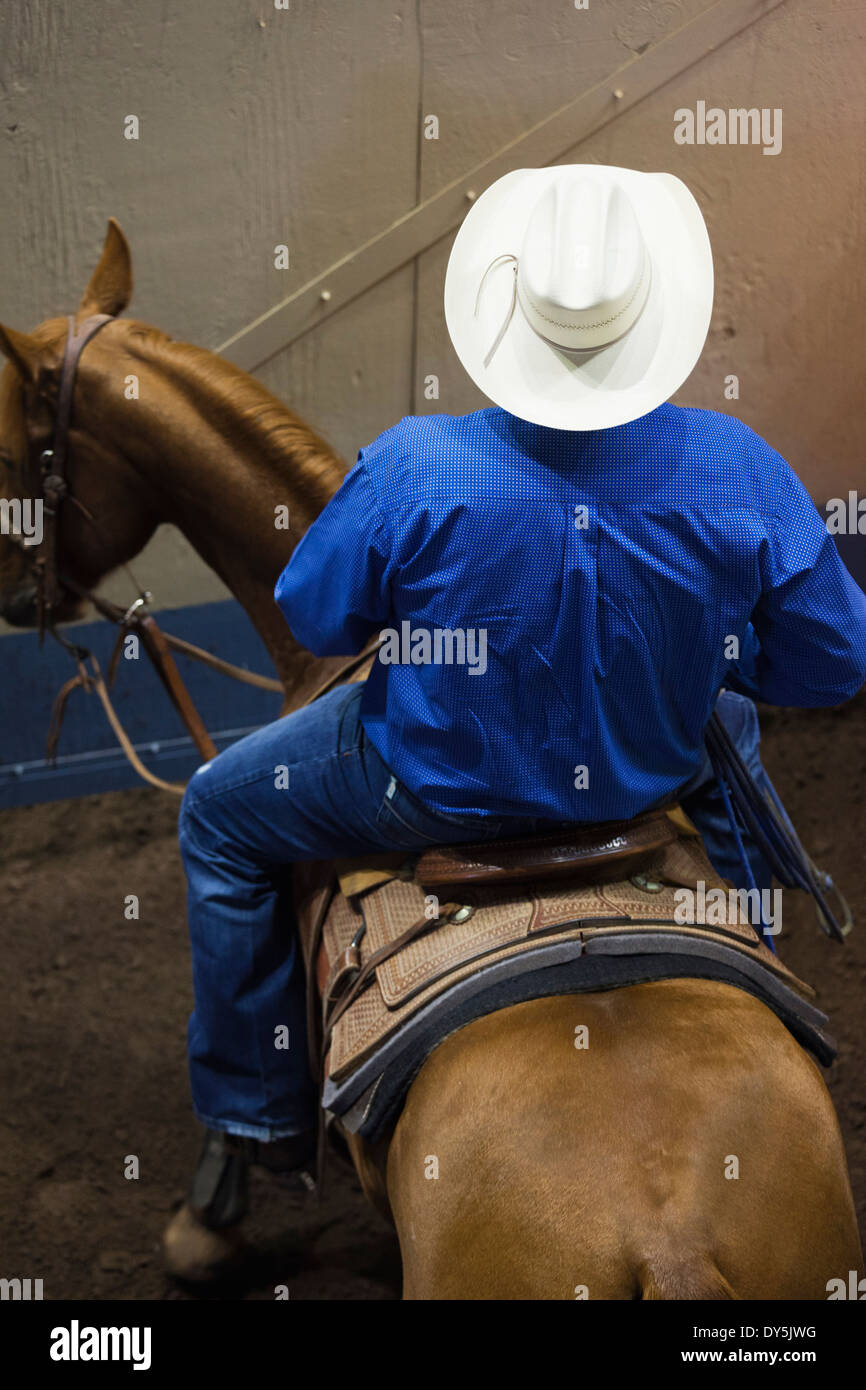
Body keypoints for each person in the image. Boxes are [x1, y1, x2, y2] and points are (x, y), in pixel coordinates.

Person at [175, 165, 866, 1235]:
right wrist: (697, 656)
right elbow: (832, 665)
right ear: (650, 319)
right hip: (646, 777)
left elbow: (315, 622)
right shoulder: (739, 465)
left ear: (508, 315)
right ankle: (752, 931)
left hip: (424, 794)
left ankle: (247, 1123)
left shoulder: (414, 465)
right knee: (721, 723)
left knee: (217, 814)